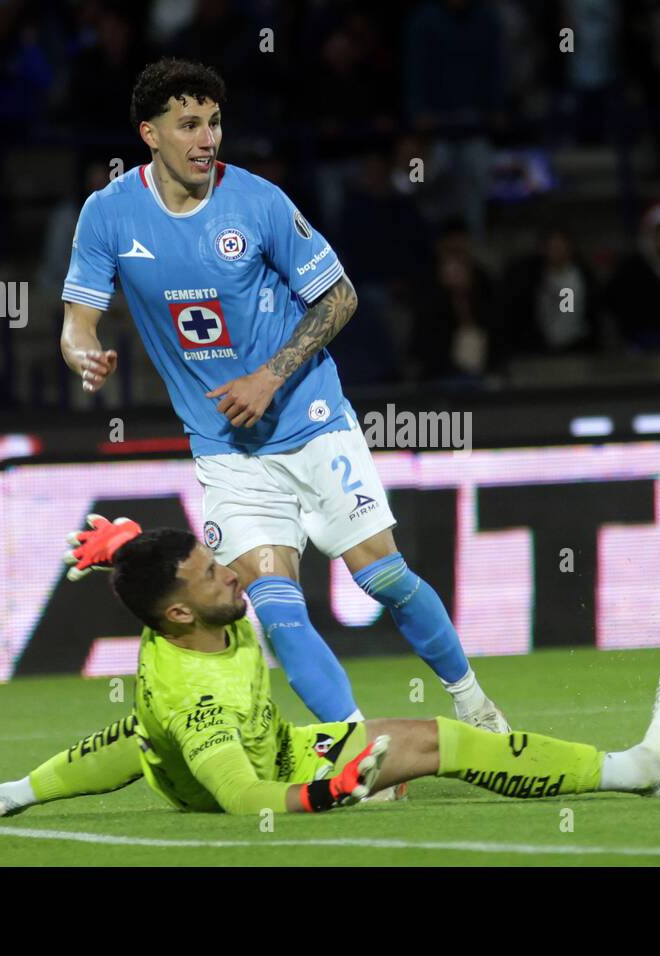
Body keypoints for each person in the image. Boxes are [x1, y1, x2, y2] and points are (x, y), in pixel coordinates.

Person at [58, 59, 507, 735]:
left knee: (382, 578)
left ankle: (472, 700)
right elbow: (75, 322)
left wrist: (268, 377)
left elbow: (340, 295)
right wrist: (83, 352)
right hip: (228, 451)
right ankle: (359, 751)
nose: (206, 138)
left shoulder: (259, 203)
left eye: (213, 122)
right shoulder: (108, 214)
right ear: (149, 134)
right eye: (188, 125)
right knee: (277, 608)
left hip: (312, 421)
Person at [0, 518, 660, 818]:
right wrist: (328, 792)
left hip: (276, 743)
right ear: (178, 615)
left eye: (219, 563)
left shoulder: (193, 612)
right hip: (251, 774)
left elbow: (129, 741)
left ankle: (643, 768)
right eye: (214, 576)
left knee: (441, 741)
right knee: (145, 743)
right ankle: (642, 769)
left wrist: (118, 544)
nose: (234, 575)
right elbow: (244, 798)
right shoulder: (196, 703)